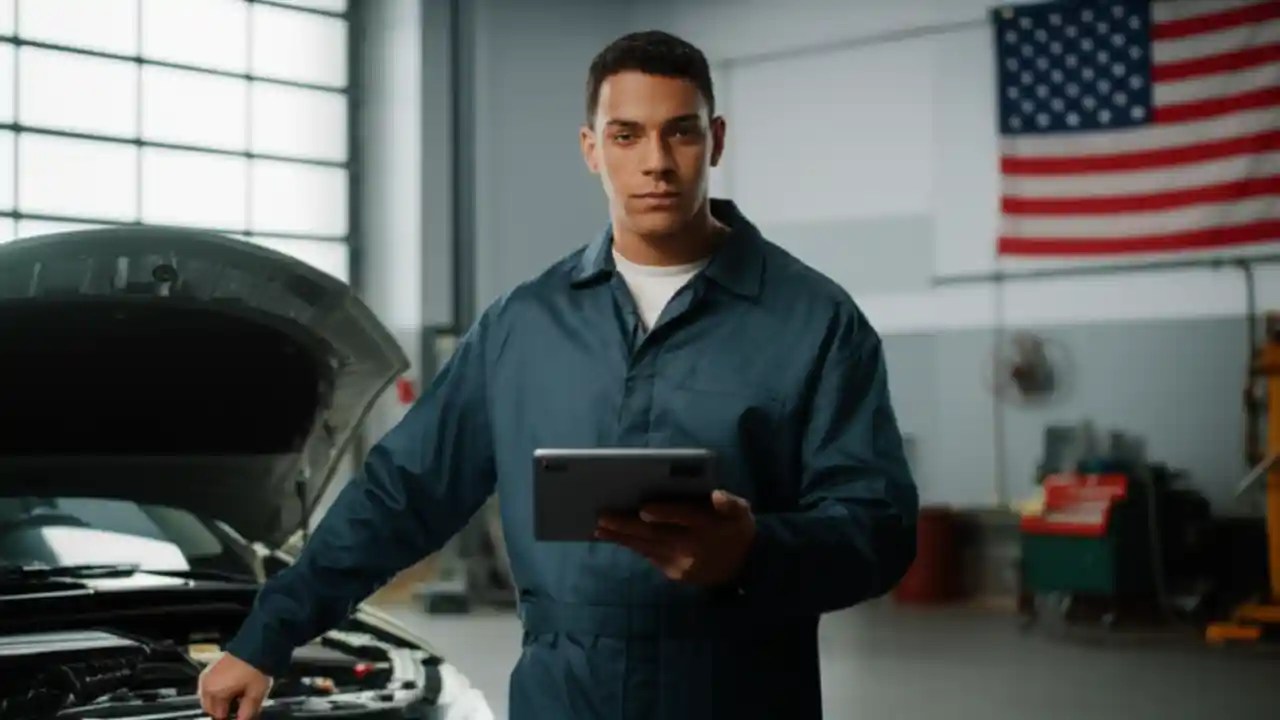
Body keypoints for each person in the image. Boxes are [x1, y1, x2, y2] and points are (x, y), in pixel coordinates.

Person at [199, 29, 919, 720]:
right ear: (591, 149)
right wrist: (267, 635)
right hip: (566, 695)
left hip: (741, 692)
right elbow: (402, 493)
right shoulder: (523, 326)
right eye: (626, 135)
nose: (656, 161)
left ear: (716, 140)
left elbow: (878, 531)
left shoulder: (815, 322)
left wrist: (754, 550)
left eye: (681, 131)